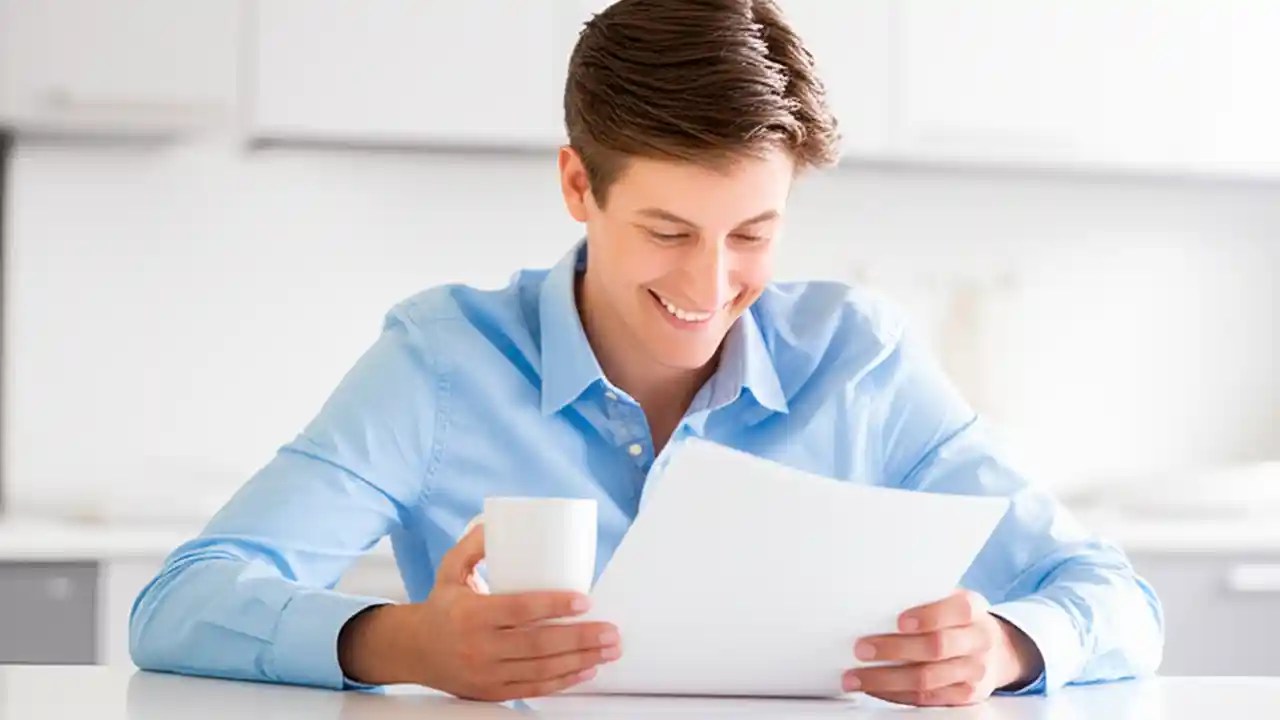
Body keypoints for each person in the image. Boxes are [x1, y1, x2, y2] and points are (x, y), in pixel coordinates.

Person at [129, 0, 1164, 707]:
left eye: (751, 233)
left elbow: (1113, 598)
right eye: (669, 232)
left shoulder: (860, 361)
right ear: (579, 187)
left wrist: (1006, 648)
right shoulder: (440, 363)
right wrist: (403, 644)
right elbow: (183, 604)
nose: (710, 286)